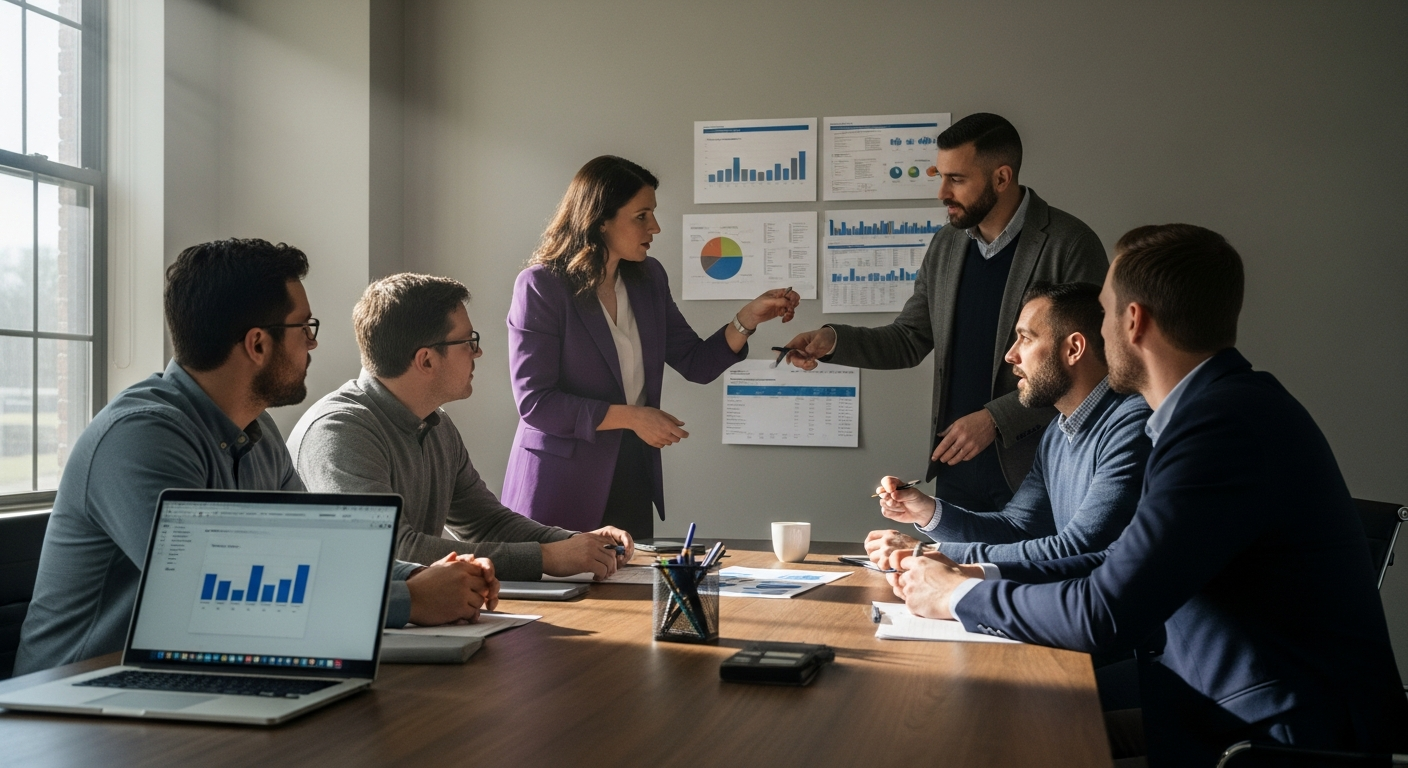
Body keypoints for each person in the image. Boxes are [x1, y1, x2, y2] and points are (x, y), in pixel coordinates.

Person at [885, 225, 1408, 764]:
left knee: (991, 736)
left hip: (1276, 742)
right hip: (1217, 707)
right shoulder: (1215, 412)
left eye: (1106, 311)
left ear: (1132, 322)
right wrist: (978, 574)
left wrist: (954, 597)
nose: (1100, 328)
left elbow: (1105, 611)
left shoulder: (1222, 427)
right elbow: (1118, 562)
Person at [15, 239, 495, 675]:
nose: (313, 343)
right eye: (304, 328)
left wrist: (439, 579)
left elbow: (322, 552)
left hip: (198, 674)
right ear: (258, 344)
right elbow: (218, 586)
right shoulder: (140, 437)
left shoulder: (258, 429)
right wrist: (408, 601)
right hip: (78, 700)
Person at [784, 113, 1108, 511]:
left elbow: (1088, 365)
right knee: (953, 573)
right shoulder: (946, 245)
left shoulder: (1070, 244)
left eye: (956, 179)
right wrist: (832, 342)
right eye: (941, 175)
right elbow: (908, 338)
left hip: (1038, 467)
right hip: (957, 466)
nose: (941, 192)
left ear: (1002, 178)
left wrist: (994, 420)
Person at [503, 155, 799, 538]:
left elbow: (696, 363)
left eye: (653, 215)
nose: (655, 227)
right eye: (641, 216)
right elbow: (536, 403)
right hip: (559, 487)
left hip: (631, 473)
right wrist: (633, 416)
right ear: (600, 220)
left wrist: (748, 318)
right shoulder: (541, 286)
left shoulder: (648, 279)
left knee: (630, 594)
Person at [289, 273, 632, 581]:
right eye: (468, 342)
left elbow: (488, 523)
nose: (477, 352)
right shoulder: (338, 432)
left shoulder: (435, 424)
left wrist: (575, 543)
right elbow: (391, 551)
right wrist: (545, 558)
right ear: (426, 360)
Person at [865, 282, 1150, 564]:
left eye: (1025, 338)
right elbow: (1017, 529)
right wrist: (927, 512)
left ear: (1074, 348)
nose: (1011, 355)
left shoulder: (1132, 424)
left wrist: (927, 553)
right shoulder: (1058, 432)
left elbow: (1082, 548)